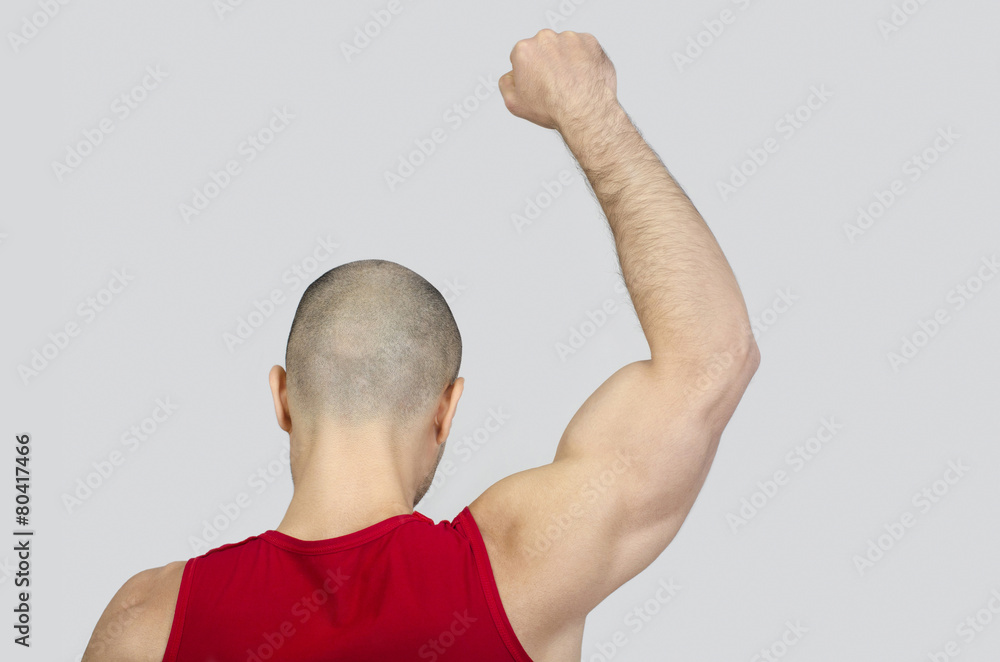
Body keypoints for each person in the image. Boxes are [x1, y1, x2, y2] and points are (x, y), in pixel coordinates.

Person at [82, 28, 759, 661]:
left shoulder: (148, 619)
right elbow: (712, 357)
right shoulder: (522, 565)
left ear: (282, 397)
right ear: (446, 407)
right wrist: (587, 109)